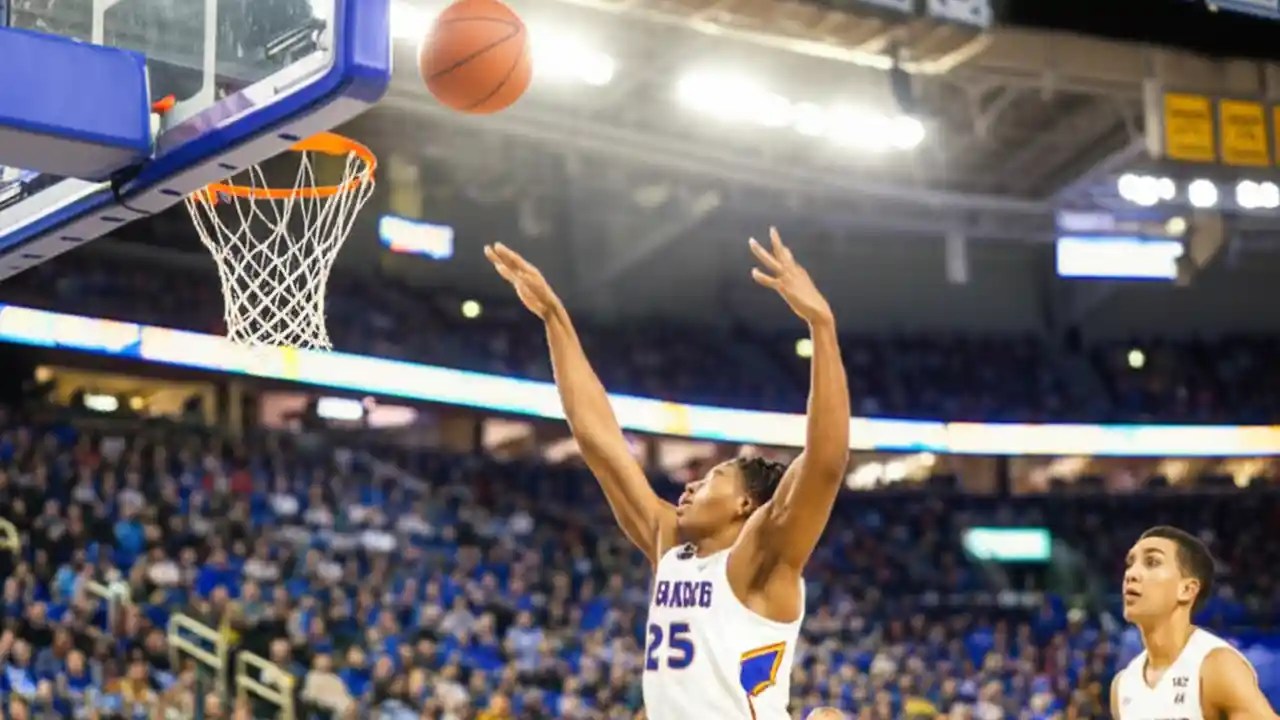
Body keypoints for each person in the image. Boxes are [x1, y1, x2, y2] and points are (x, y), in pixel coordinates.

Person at [486, 227, 850, 720]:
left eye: (713, 476)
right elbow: (600, 441)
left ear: (746, 505)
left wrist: (822, 327)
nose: (692, 483)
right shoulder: (669, 542)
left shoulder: (761, 558)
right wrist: (555, 318)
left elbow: (825, 464)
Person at [1112, 525, 1278, 719]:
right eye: (1130, 563)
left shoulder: (1215, 667)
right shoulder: (1122, 685)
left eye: (1152, 562)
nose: (1131, 574)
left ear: (1187, 589)